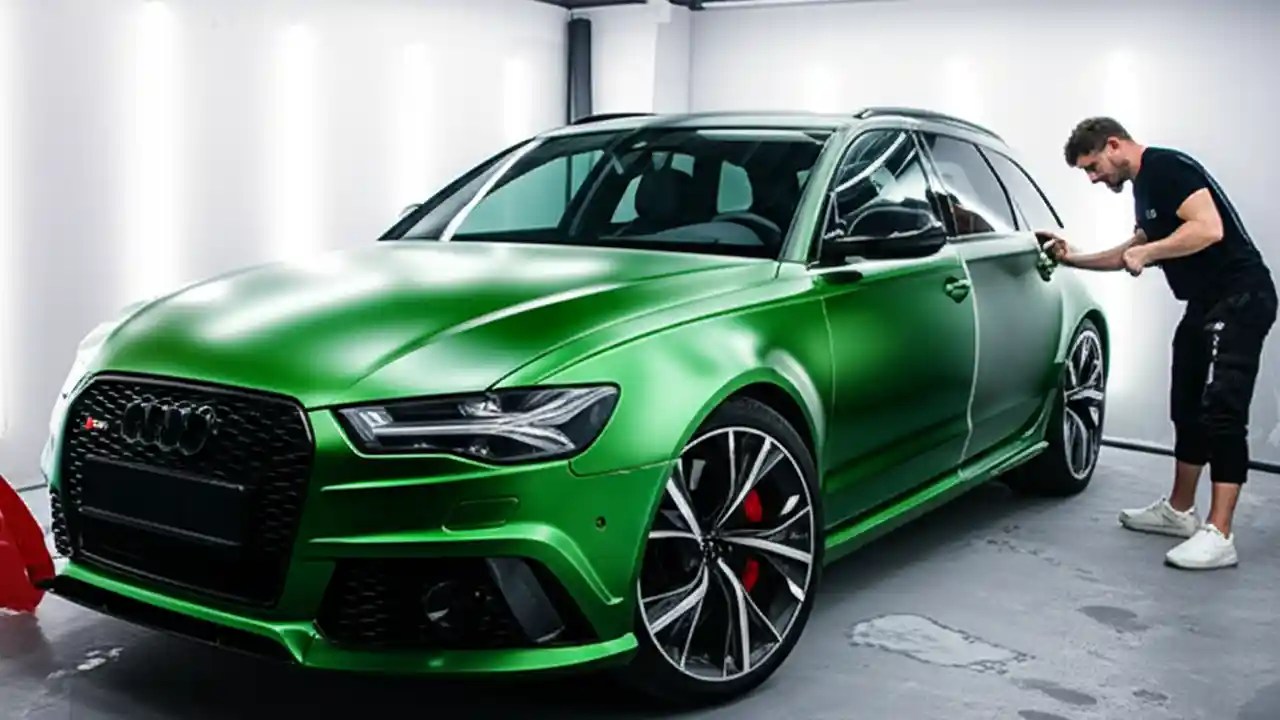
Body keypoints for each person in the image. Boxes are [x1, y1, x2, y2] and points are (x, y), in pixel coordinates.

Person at [1039, 116, 1277, 570]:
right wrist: (1072, 258)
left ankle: (1220, 533)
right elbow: (1129, 249)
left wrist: (1148, 254)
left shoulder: (1166, 168)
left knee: (1222, 408)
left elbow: (1208, 229)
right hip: (1205, 302)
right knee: (1185, 403)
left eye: (1093, 167)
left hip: (1241, 297)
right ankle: (1180, 511)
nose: (1093, 179)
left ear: (1114, 145)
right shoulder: (1144, 187)